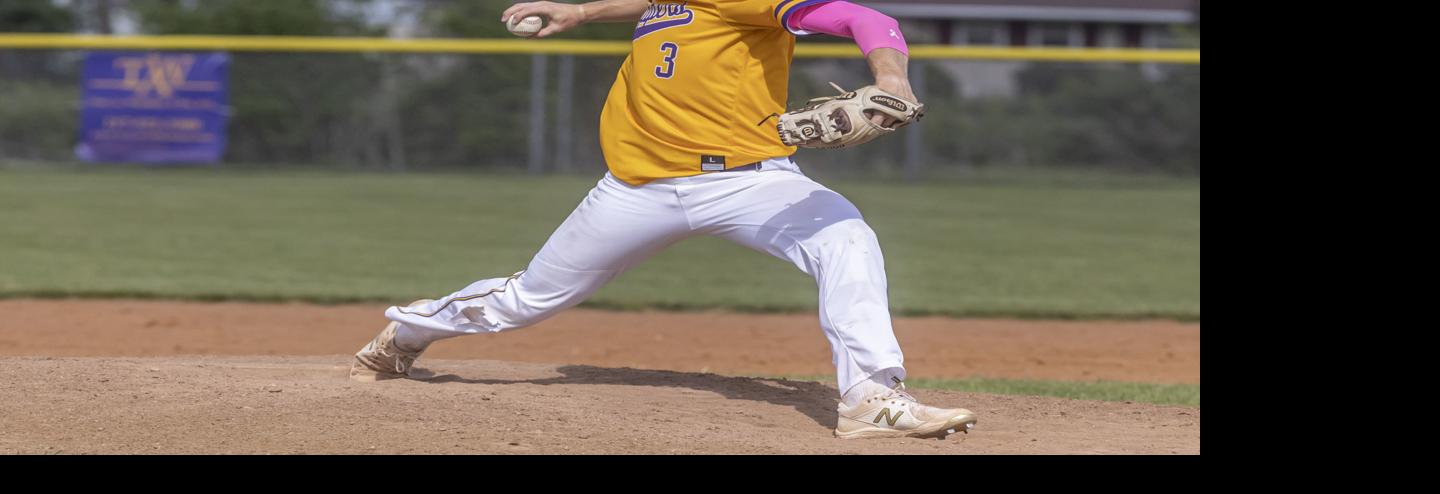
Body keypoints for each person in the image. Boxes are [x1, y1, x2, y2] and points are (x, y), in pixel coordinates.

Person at [352, 0, 977, 440]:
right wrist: (583, 12)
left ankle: (870, 395)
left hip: (750, 180)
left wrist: (891, 77)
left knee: (846, 239)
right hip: (636, 188)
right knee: (525, 300)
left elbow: (866, 18)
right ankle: (406, 335)